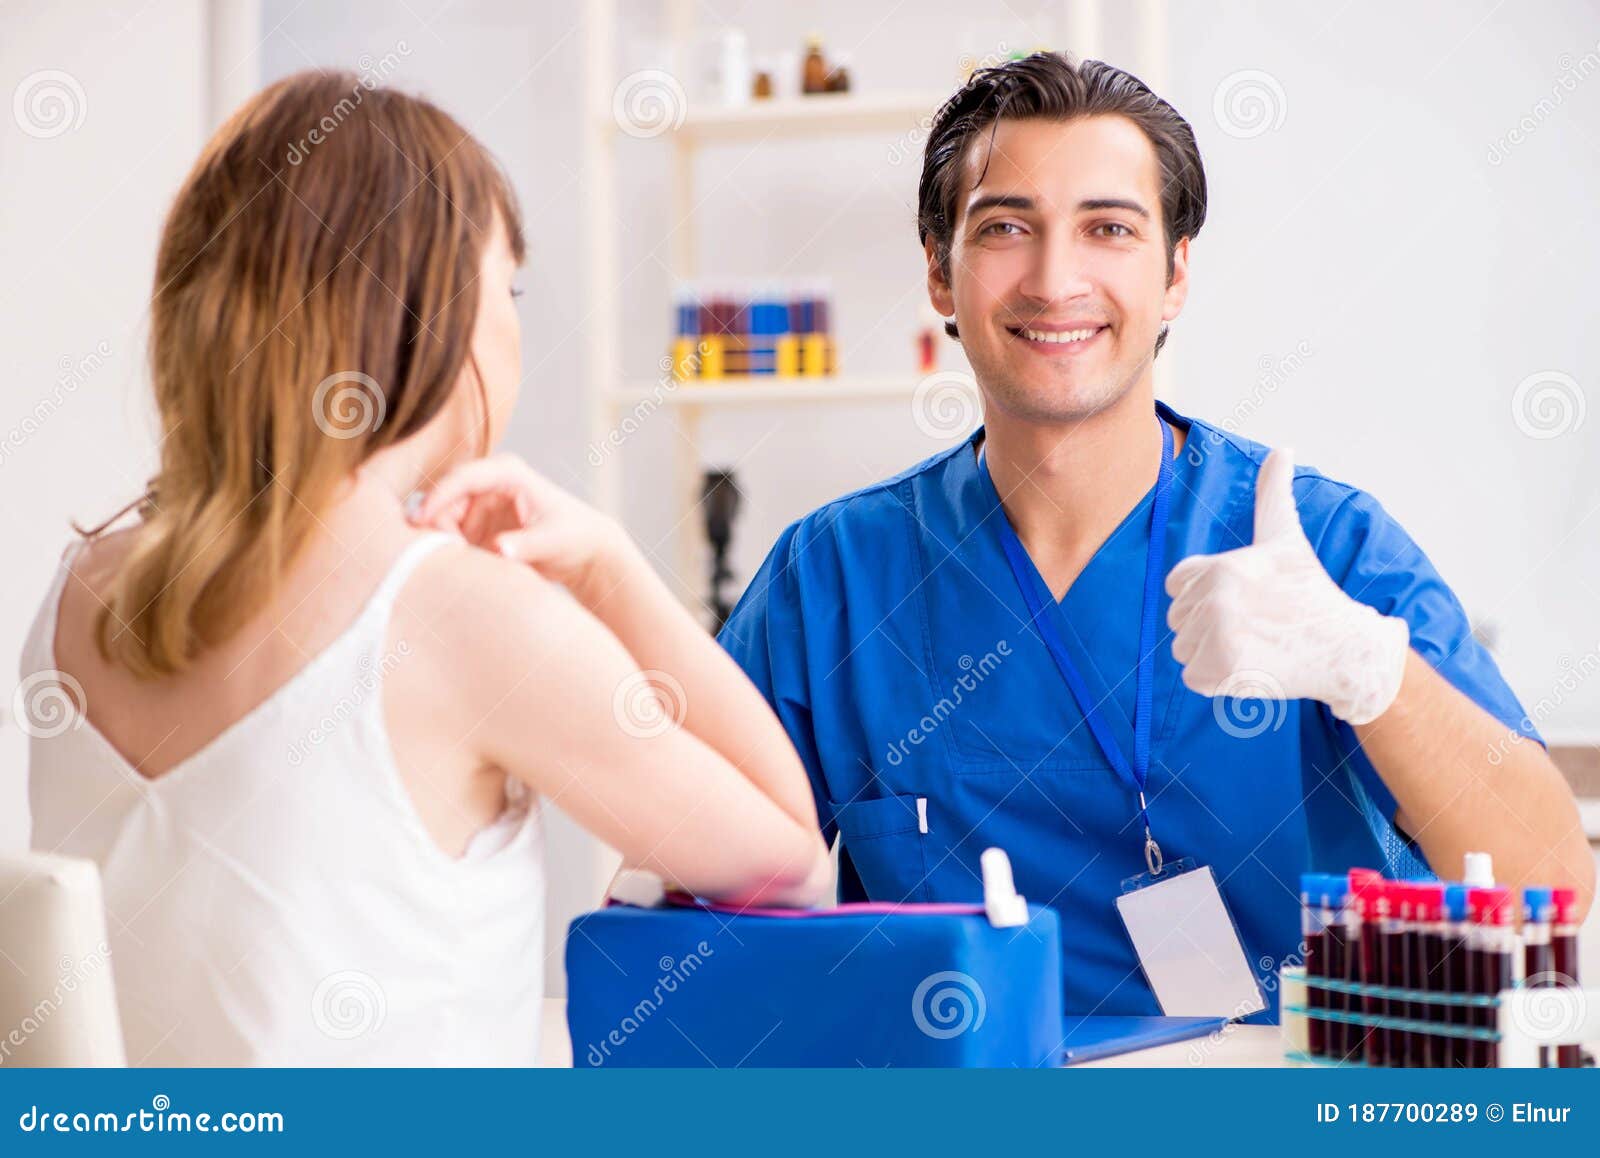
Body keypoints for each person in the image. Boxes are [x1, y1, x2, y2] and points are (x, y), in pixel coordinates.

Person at [718, 53, 1593, 1019]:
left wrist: (1366, 668)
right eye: (1006, 227)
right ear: (938, 273)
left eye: (1110, 229)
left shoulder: (1319, 545)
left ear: (1175, 275)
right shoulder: (830, 578)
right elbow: (703, 887)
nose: (1056, 279)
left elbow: (1547, 879)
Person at [20, 71, 829, 1066]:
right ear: (427, 318)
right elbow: (790, 863)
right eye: (509, 288)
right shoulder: (462, 616)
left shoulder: (76, 595)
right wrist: (611, 573)